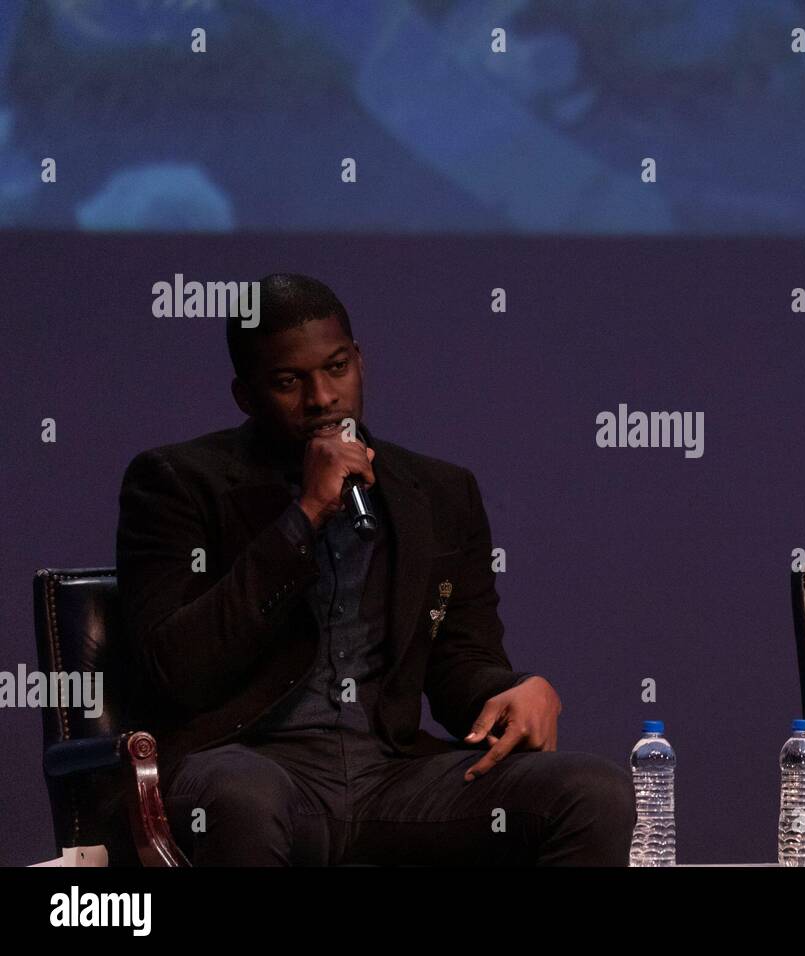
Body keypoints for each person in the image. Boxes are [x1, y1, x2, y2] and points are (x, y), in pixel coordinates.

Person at [116, 273, 635, 865]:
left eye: (337, 368)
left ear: (360, 360)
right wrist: (304, 515)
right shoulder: (178, 483)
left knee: (593, 792)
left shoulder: (440, 493)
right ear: (245, 395)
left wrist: (512, 690)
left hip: (392, 775)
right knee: (242, 796)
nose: (322, 399)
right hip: (253, 765)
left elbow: (460, 663)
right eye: (289, 382)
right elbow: (171, 669)